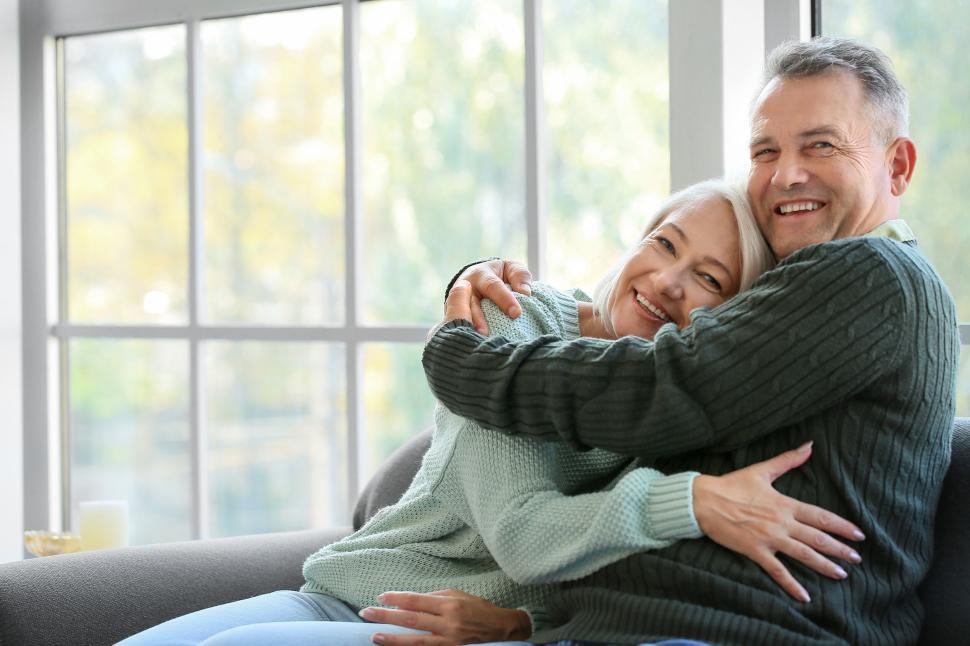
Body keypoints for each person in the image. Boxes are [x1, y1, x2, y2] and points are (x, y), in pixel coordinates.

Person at [118, 181, 864, 646]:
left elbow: (623, 585)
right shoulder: (513, 320)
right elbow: (523, 534)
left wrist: (521, 625)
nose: (669, 281)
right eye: (663, 244)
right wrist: (690, 501)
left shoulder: (685, 412)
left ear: (732, 320)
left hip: (456, 637)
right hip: (336, 598)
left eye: (709, 279)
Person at [413, 37, 958, 645]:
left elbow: (663, 385)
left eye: (821, 145)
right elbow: (621, 330)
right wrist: (480, 280)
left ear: (897, 166)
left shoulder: (873, 274)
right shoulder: (804, 292)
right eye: (765, 151)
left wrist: (460, 357)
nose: (786, 175)